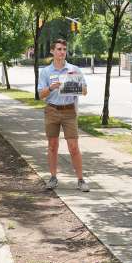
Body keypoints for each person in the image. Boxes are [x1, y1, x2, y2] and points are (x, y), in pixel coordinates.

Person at [38, 39, 89, 192]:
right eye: (59, 49)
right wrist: (51, 87)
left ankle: (81, 180)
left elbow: (85, 91)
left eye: (64, 49)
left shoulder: (74, 69)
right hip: (52, 110)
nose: (62, 52)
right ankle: (53, 178)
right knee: (52, 146)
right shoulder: (46, 72)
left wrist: (74, 84)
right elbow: (41, 94)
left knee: (73, 147)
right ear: (52, 51)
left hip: (69, 112)